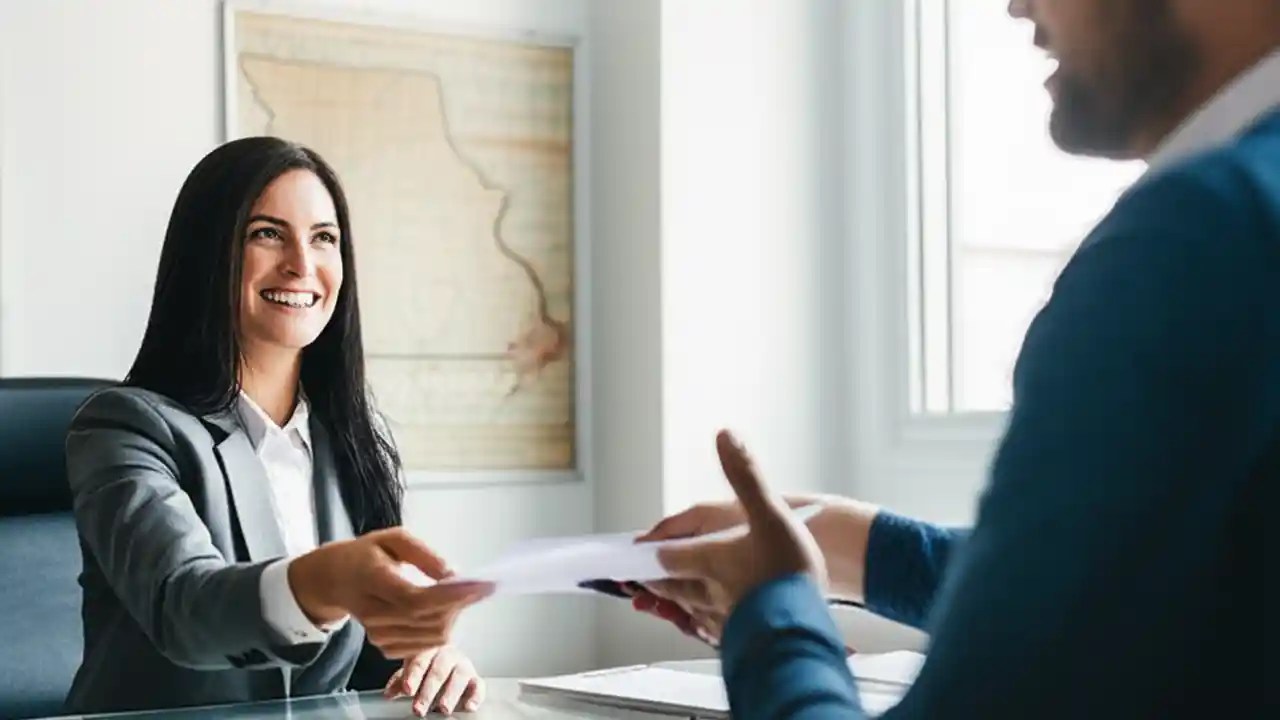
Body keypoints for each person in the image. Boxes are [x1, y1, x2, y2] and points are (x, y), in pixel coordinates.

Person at [633, 0, 1280, 716]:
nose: (1016, 4)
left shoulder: (1195, 243)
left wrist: (772, 615)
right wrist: (856, 545)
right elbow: (1165, 585)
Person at [65, 137, 491, 717]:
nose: (302, 264)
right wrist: (325, 581)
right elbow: (184, 610)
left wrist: (430, 658)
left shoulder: (349, 440)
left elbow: (367, 659)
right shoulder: (126, 429)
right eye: (267, 233)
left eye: (323, 238)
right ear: (208, 253)